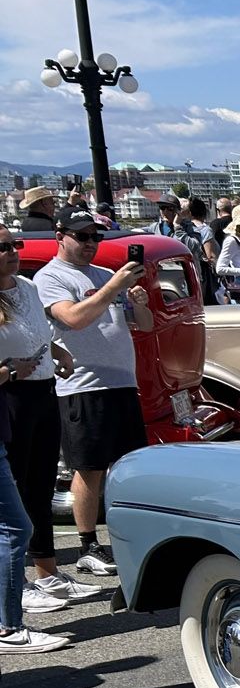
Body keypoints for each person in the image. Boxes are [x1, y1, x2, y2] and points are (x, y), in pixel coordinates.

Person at [34, 205, 151, 578]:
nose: (89, 244)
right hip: (82, 383)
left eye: (95, 237)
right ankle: (88, 544)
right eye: (81, 236)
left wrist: (138, 302)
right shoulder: (50, 277)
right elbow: (73, 318)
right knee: (89, 467)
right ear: (61, 237)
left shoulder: (103, 274)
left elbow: (144, 325)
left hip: (120, 381)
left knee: (127, 465)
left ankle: (127, 535)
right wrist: (115, 286)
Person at [0, 224, 86, 646]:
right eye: (3, 247)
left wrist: (57, 350)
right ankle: (15, 597)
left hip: (41, 389)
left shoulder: (28, 286)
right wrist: (11, 369)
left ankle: (44, 572)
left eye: (13, 244)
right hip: (9, 396)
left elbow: (39, 332)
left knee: (38, 487)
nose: (12, 252)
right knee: (12, 502)